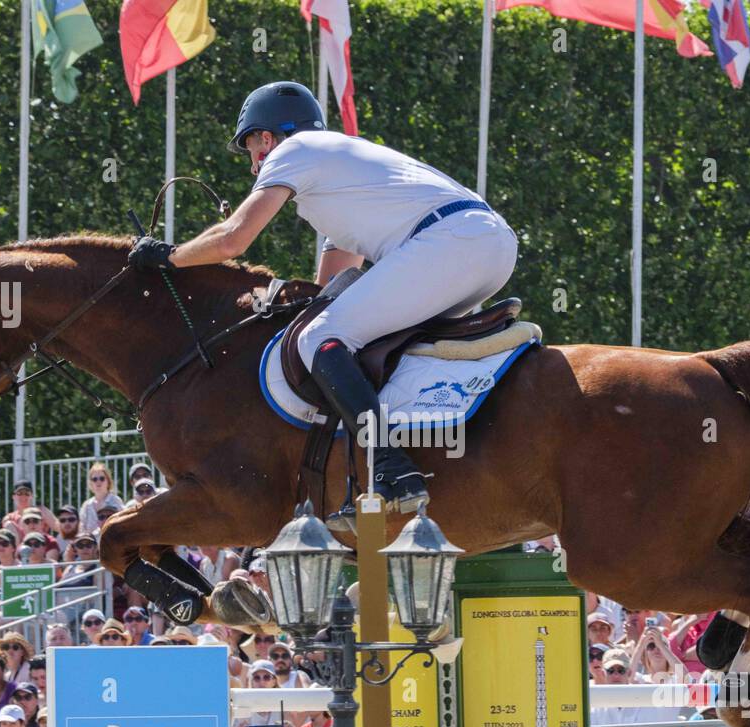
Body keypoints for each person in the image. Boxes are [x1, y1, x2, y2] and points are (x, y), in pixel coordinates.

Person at [128, 81, 517, 513]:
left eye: (253, 149)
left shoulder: (295, 151)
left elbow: (231, 241)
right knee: (348, 340)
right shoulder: (340, 175)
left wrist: (169, 256)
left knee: (319, 340)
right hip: (486, 247)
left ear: (267, 138)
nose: (255, 165)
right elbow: (330, 289)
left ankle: (390, 465)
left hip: (451, 244)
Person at [79, 463, 125, 533]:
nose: (98, 482)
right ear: (91, 483)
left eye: (102, 478)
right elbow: (81, 529)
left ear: (108, 481)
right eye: (94, 479)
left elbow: (123, 523)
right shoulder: (87, 505)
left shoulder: (116, 501)